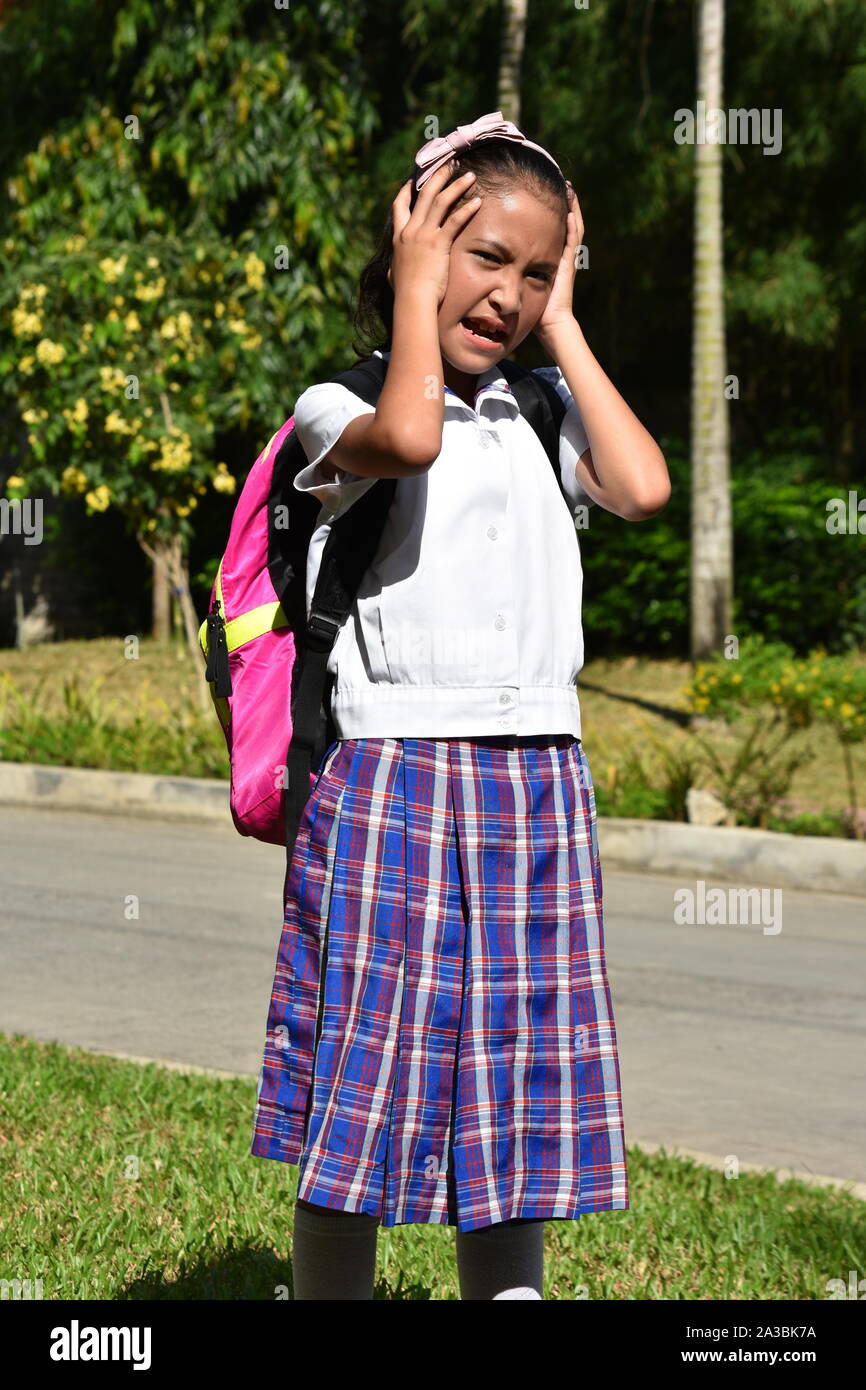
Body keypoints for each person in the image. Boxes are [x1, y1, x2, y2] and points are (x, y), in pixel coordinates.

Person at [250, 111, 671, 1300]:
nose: (509, 292)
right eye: (483, 256)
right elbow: (411, 438)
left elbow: (640, 485)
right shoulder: (335, 406)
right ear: (413, 250)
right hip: (395, 784)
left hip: (535, 781)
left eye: (537, 271)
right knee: (364, 1096)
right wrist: (415, 284)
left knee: (515, 1100)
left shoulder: (540, 410)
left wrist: (569, 323)